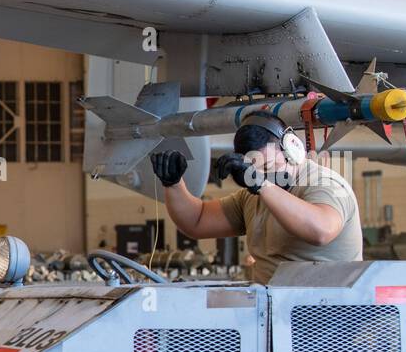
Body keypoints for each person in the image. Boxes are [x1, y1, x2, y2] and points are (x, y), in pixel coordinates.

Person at [150, 113, 362, 283]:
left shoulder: (326, 183)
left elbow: (321, 230)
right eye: (256, 171)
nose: (265, 176)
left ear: (293, 149)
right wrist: (174, 183)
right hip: (276, 316)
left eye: (269, 167)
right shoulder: (253, 196)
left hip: (329, 320)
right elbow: (197, 221)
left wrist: (260, 183)